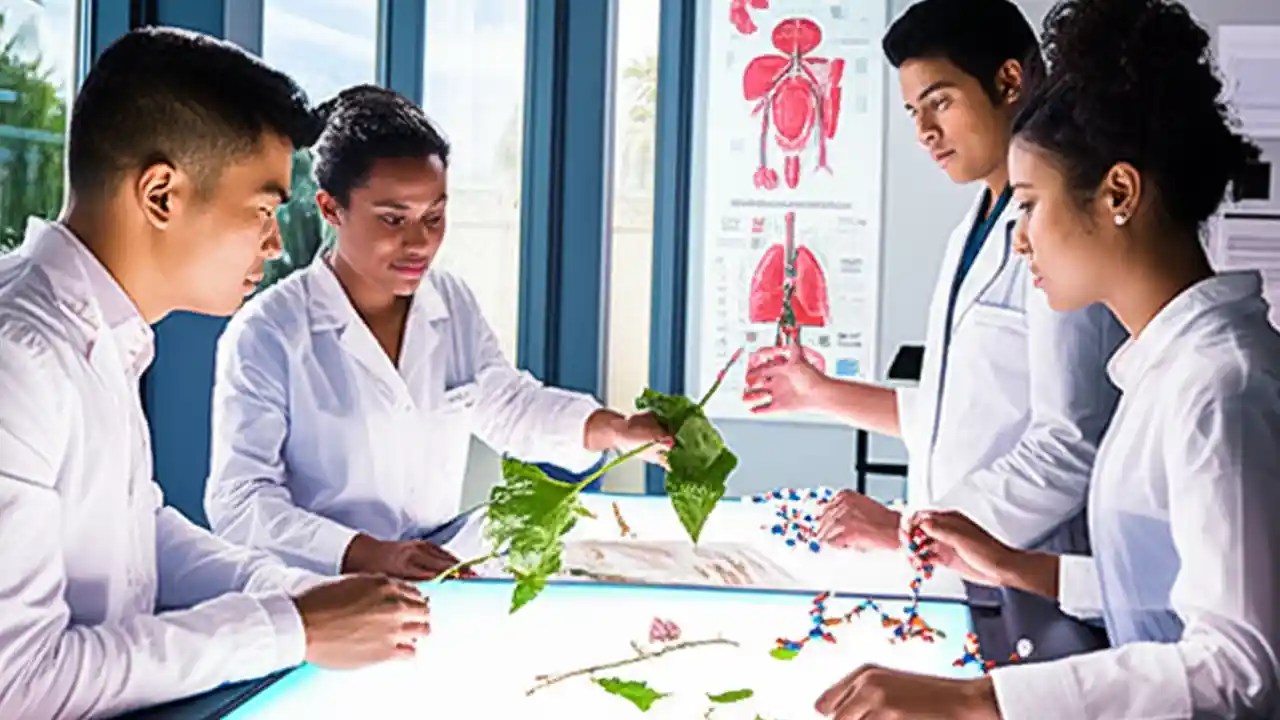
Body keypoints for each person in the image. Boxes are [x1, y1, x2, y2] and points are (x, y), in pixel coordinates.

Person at [816, 0, 1279, 717]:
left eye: (1029, 205)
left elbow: (1241, 669)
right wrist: (1016, 565)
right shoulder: (1167, 370)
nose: (1021, 240)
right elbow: (1161, 585)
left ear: (1118, 193)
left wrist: (979, 700)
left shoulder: (1222, 388)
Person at [0, 29, 432, 719]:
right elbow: (18, 685)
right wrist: (293, 627)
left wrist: (295, 594)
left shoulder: (102, 333)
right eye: (262, 211)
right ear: (162, 195)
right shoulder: (18, 358)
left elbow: (141, 528)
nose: (273, 243)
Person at [745, 0, 1124, 663]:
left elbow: (1071, 442)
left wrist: (905, 530)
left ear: (1010, 82)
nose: (924, 129)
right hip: (965, 579)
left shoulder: (1059, 236)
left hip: (1036, 583)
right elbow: (966, 409)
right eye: (913, 112)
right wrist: (821, 393)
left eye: (940, 102)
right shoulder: (972, 229)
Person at [204, 85, 671, 579]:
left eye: (434, 216)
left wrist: (616, 429)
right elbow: (241, 502)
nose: (419, 242)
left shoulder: (450, 302)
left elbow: (507, 404)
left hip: (439, 574)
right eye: (392, 219)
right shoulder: (268, 333)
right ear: (331, 209)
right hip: (320, 588)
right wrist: (367, 552)